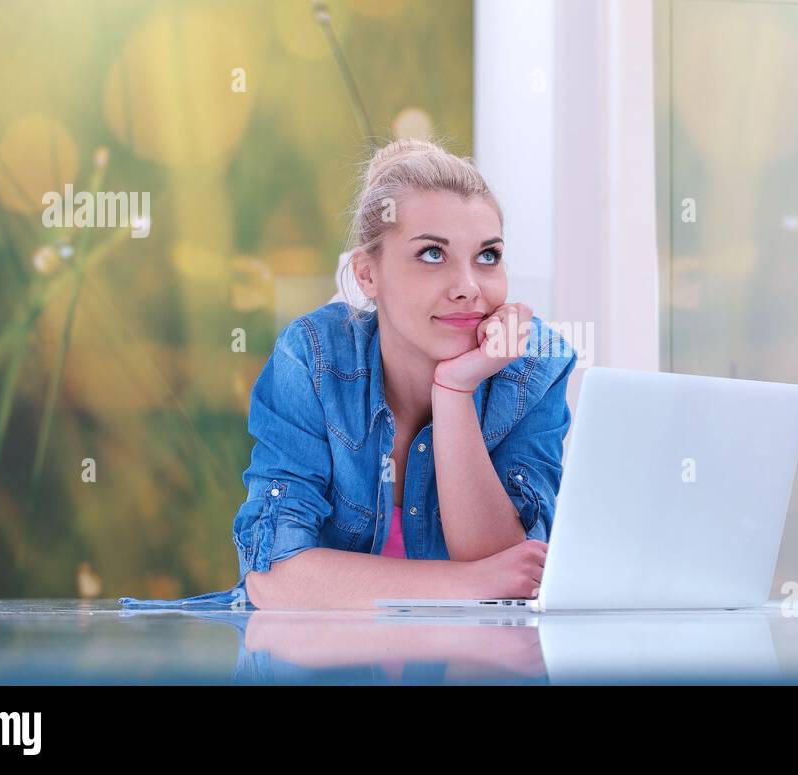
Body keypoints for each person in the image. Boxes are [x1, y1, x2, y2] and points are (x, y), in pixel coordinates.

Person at [120, 138, 577, 610]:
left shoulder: (533, 368)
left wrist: (455, 390)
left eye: (488, 256)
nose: (468, 287)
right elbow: (275, 575)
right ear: (367, 275)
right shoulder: (314, 358)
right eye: (432, 255)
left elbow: (513, 574)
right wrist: (469, 584)